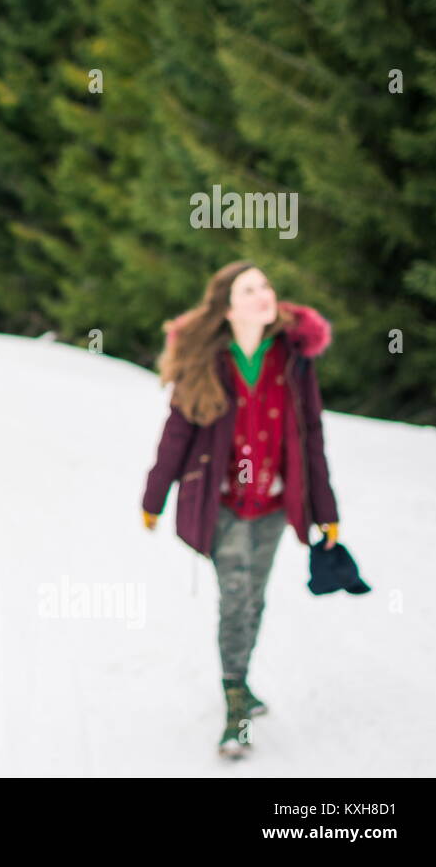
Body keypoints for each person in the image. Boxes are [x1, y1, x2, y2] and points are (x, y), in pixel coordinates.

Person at [140, 259, 340, 760]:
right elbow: (177, 432)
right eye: (248, 289)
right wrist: (154, 496)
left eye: (266, 286)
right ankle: (235, 707)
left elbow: (311, 433)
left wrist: (325, 507)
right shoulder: (208, 359)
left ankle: (241, 679)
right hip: (222, 502)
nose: (262, 295)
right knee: (235, 597)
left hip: (275, 504)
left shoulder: (294, 359)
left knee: (254, 595)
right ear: (227, 306)